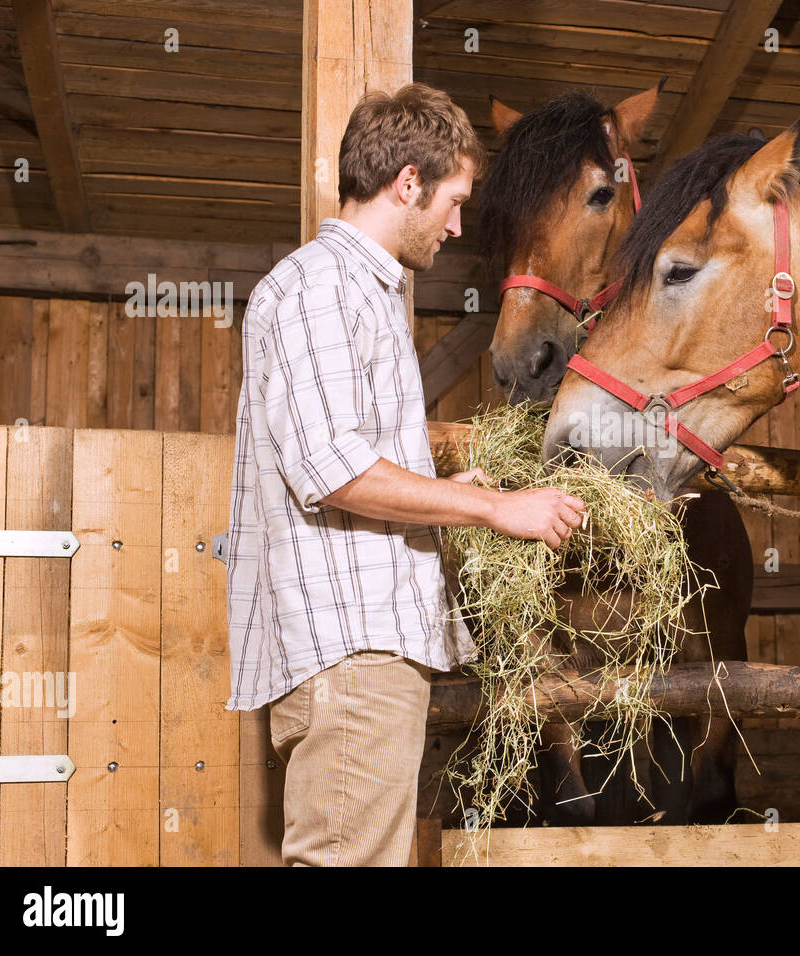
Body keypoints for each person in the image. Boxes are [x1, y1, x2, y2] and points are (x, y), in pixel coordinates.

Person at [224, 83, 585, 866]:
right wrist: (494, 511)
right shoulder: (320, 287)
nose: (457, 226)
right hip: (353, 649)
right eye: (453, 201)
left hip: (366, 651)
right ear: (408, 183)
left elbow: (351, 453)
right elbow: (334, 469)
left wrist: (461, 491)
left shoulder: (364, 292)